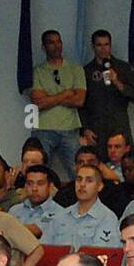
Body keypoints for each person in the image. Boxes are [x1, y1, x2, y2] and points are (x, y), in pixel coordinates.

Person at [28, 30, 87, 181]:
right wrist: (66, 93)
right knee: (38, 172)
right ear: (43, 47)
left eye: (58, 41)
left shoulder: (76, 69)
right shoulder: (37, 71)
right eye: (51, 42)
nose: (56, 46)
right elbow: (38, 103)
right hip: (42, 128)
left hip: (70, 128)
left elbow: (79, 101)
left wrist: (50, 98)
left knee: (79, 172)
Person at [81, 29, 134, 146]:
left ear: (110, 45)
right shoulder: (86, 71)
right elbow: (81, 104)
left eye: (106, 44)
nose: (103, 49)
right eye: (99, 45)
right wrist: (85, 129)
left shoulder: (123, 67)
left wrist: (117, 82)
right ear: (93, 47)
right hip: (96, 126)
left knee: (126, 161)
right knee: (97, 162)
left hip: (119, 123)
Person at [40, 164, 120, 248]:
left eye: (89, 181)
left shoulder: (107, 218)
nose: (82, 184)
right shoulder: (60, 216)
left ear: (99, 186)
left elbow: (101, 254)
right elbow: (45, 248)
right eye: (79, 179)